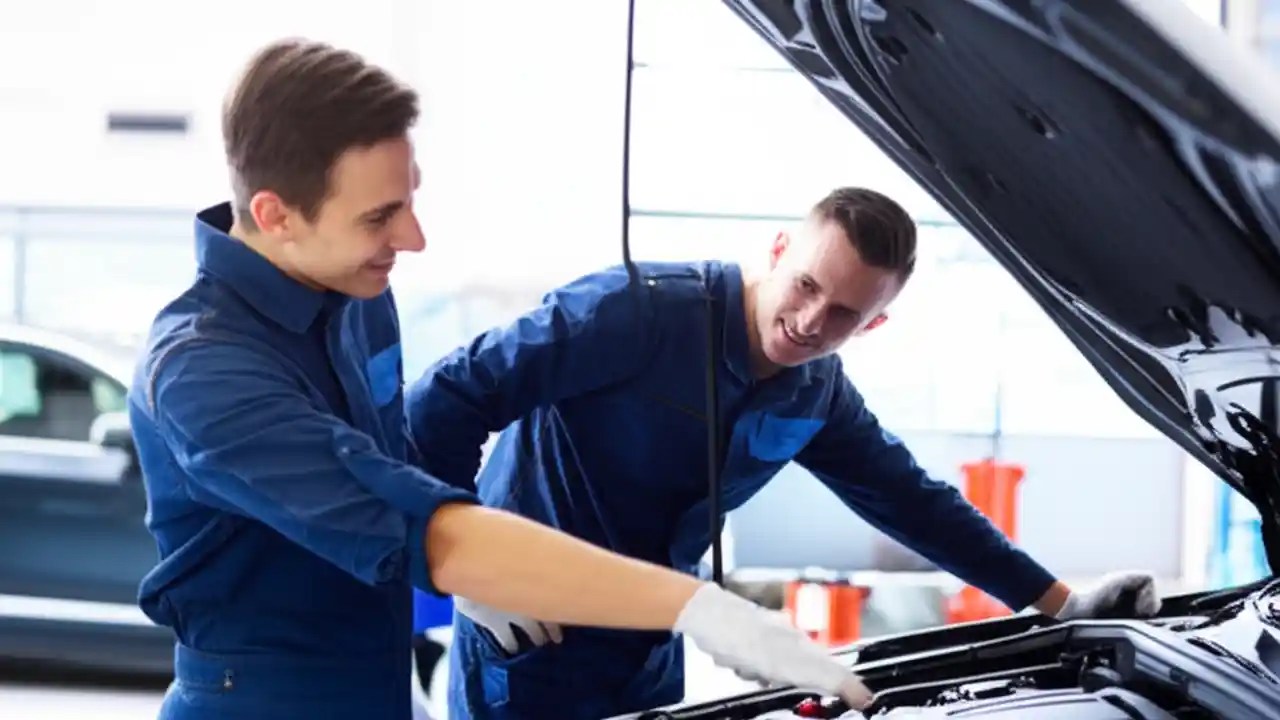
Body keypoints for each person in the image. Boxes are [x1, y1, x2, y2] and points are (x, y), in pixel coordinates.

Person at [125, 39, 872, 720]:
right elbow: (418, 527)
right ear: (275, 215)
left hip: (381, 685)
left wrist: (464, 579)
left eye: (411, 197)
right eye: (381, 215)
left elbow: (395, 465)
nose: (413, 237)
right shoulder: (203, 373)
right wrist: (701, 609)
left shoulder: (353, 293)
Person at [405, 186, 1163, 719]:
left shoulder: (817, 394)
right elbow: (444, 400)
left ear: (874, 325)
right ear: (776, 249)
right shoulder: (633, 311)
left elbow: (915, 504)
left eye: (842, 314)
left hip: (651, 654)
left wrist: (1062, 603)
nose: (808, 321)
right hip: (530, 640)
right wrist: (469, 564)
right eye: (803, 285)